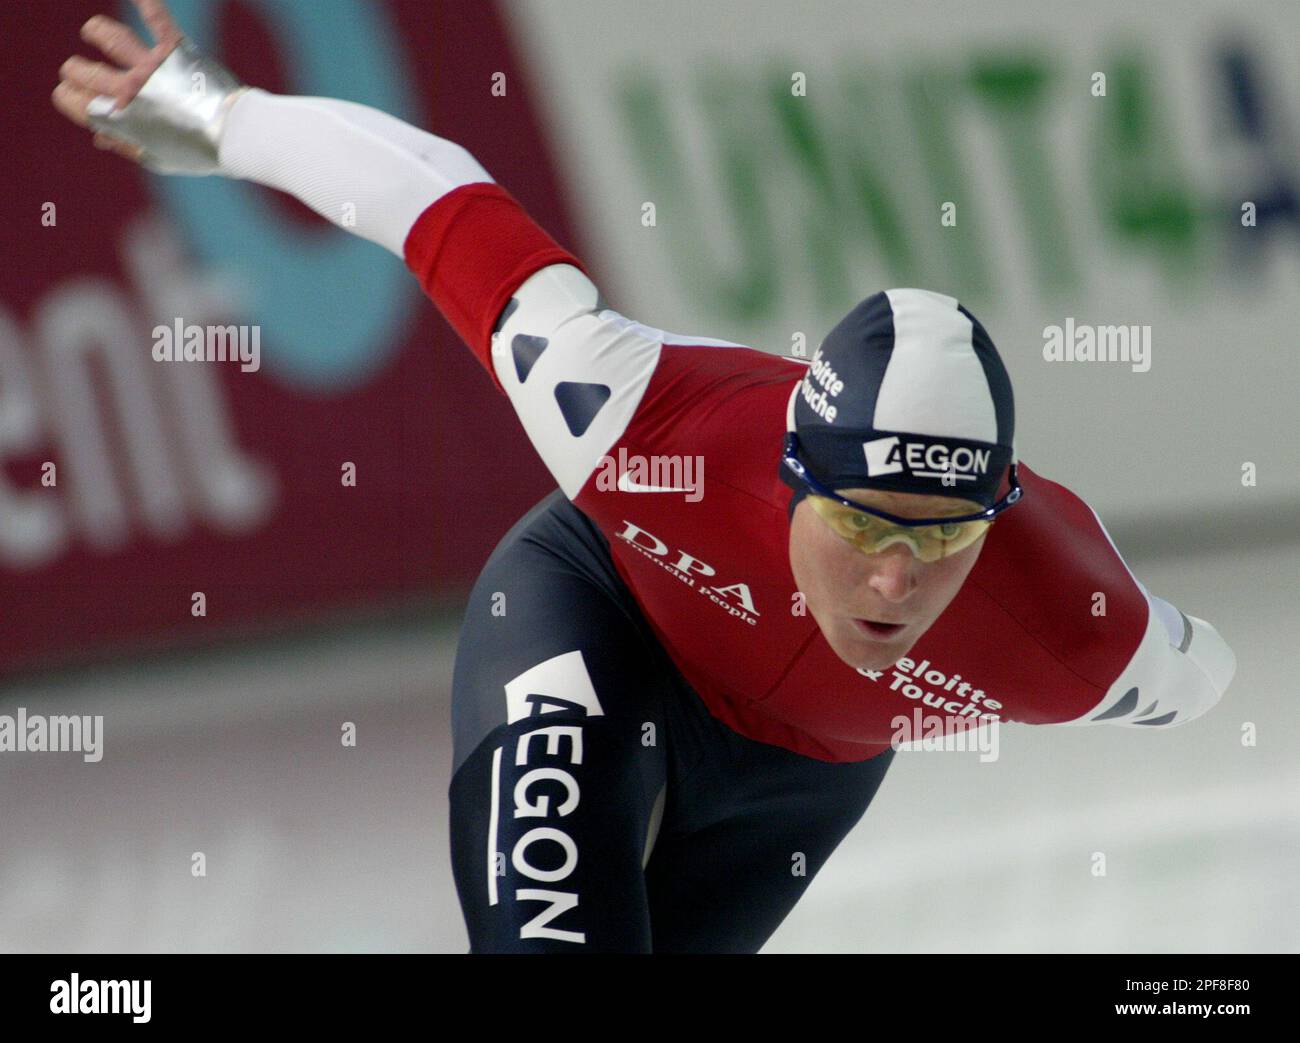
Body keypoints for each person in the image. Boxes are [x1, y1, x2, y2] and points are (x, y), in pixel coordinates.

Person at [53, 0, 1238, 953]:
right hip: (595, 615)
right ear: (786, 477)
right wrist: (220, 115)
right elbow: (431, 192)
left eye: (944, 537)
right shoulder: (625, 410)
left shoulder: (1073, 636)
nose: (894, 571)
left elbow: (1202, 673)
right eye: (862, 517)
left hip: (796, 774)